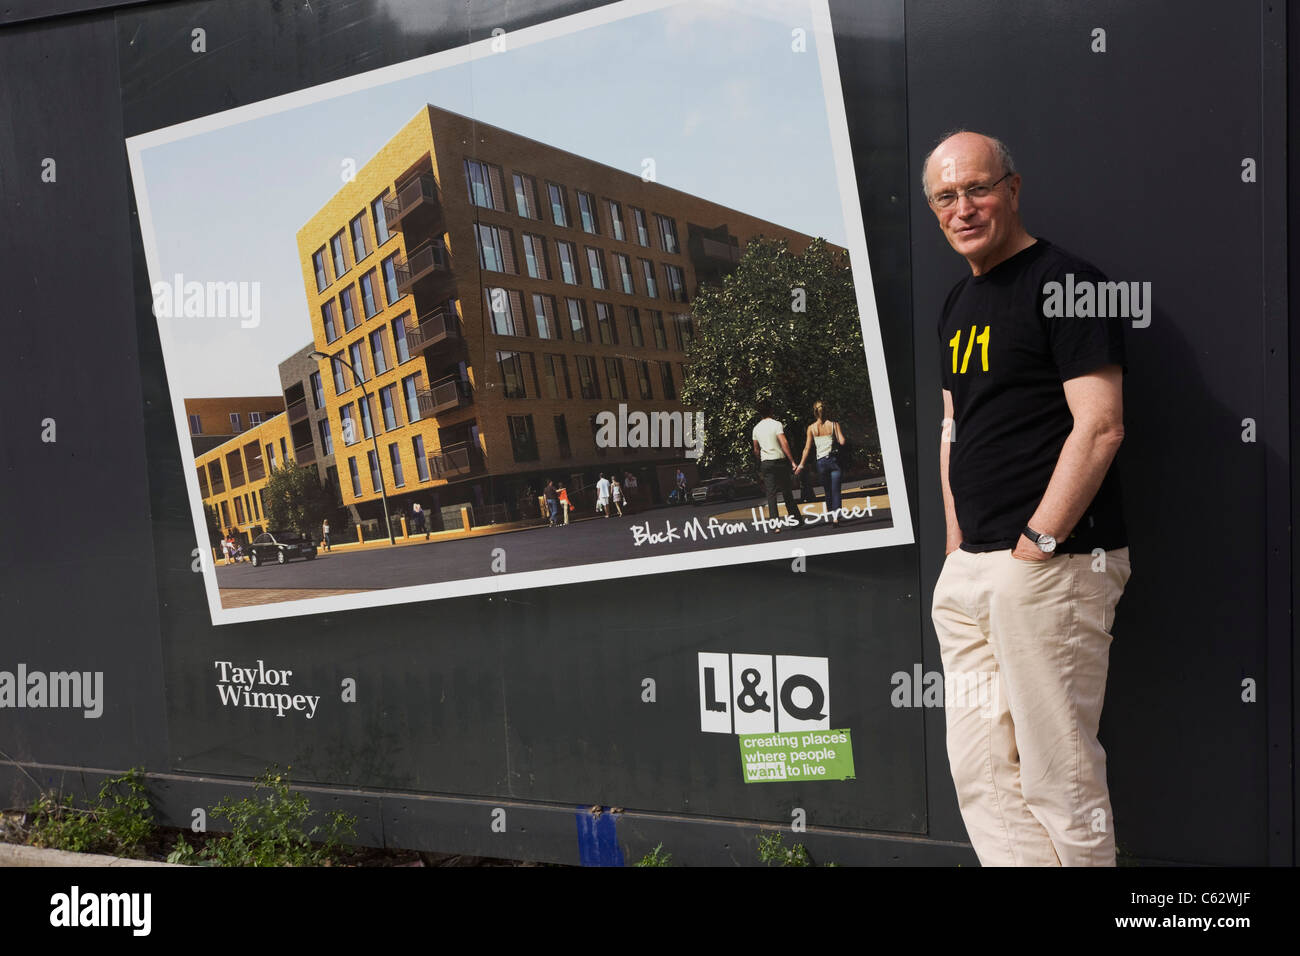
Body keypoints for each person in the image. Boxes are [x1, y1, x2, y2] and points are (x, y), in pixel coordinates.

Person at [923, 129, 1131, 867]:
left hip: (1052, 568)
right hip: (971, 574)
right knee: (981, 776)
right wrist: (957, 546)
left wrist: (1036, 543)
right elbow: (954, 427)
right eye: (946, 196)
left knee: (1059, 780)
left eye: (977, 189)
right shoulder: (957, 299)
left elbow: (1100, 427)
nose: (963, 208)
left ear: (1011, 189)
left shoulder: (1070, 282)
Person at [751, 401, 802, 532]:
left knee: (771, 494)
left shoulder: (756, 428)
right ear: (771, 410)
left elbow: (756, 449)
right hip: (779, 462)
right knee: (786, 492)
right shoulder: (776, 424)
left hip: (766, 463)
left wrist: (759, 461)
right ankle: (795, 520)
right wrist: (792, 461)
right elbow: (784, 442)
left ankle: (775, 525)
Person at [795, 400, 847, 525]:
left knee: (827, 490)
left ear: (815, 412)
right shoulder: (834, 425)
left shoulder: (811, 428)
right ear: (826, 410)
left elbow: (807, 448)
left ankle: (831, 511)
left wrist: (801, 465)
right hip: (834, 461)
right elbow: (842, 441)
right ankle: (836, 516)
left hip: (821, 463)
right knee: (836, 490)